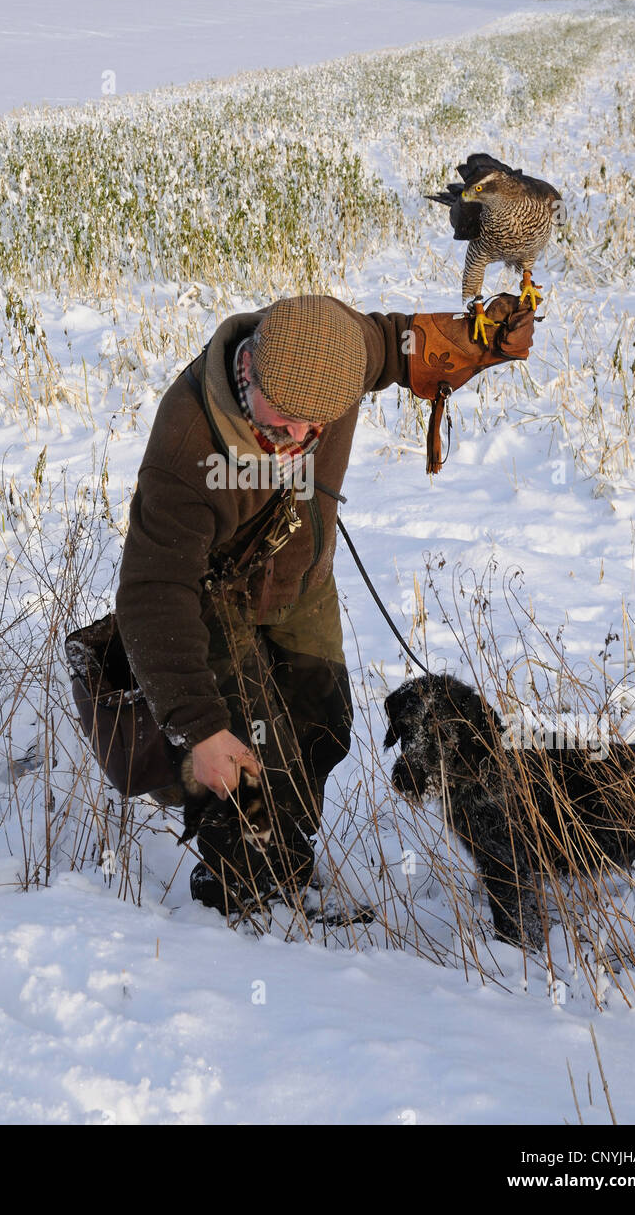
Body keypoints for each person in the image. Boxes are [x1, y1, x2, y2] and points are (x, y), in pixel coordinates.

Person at [114, 292, 535, 914]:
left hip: (301, 581)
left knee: (325, 723)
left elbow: (394, 344)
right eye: (283, 422)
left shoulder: (334, 350)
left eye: (317, 426)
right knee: (245, 757)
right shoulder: (187, 446)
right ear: (249, 369)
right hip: (213, 597)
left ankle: (286, 855)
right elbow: (153, 593)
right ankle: (241, 890)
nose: (300, 440)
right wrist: (200, 728)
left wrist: (475, 338)